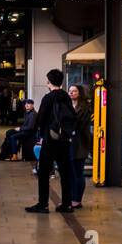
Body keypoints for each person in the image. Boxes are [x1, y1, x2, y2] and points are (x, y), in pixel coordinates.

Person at [26, 69, 75, 214]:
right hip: (64, 140)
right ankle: (67, 204)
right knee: (65, 172)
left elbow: (40, 118)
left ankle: (43, 204)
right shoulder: (66, 96)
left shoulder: (48, 98)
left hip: (50, 139)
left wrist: (37, 134)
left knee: (43, 172)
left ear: (49, 82)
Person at [68, 84, 93, 209]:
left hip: (80, 143)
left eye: (74, 91)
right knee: (71, 173)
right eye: (70, 91)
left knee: (78, 172)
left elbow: (77, 124)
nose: (71, 93)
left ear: (80, 93)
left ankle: (77, 200)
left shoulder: (84, 108)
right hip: (70, 143)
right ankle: (71, 198)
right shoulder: (69, 106)